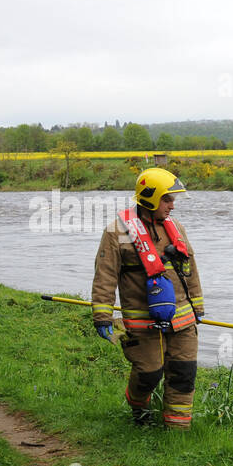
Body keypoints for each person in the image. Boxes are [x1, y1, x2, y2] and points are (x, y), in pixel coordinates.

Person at [91, 167, 204, 430]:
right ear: (150, 198)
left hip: (183, 318)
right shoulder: (116, 233)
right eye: (167, 200)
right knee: (149, 373)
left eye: (173, 200)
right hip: (143, 321)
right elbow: (105, 275)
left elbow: (191, 268)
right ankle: (139, 406)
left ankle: (177, 430)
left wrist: (198, 306)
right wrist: (102, 316)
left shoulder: (175, 228)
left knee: (183, 373)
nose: (172, 206)